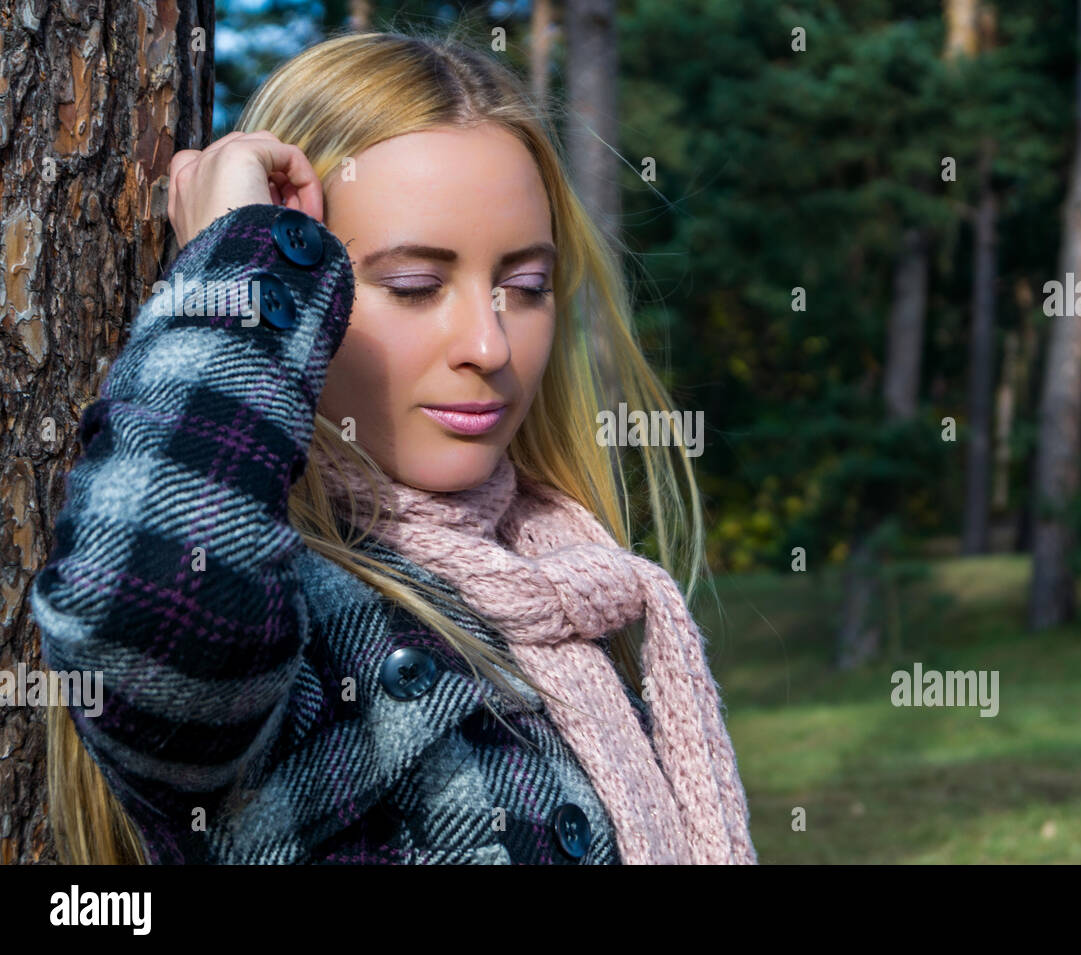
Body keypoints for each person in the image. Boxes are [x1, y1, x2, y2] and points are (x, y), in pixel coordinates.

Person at [29, 29, 758, 865]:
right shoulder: (284, 628)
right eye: (414, 286)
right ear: (302, 292)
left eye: (525, 287)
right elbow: (144, 605)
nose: (488, 345)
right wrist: (241, 269)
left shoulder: (567, 595)